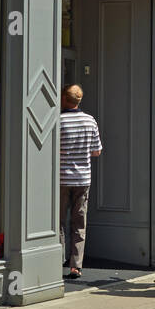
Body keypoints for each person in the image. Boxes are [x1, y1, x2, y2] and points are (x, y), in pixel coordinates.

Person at [59, 85, 102, 280]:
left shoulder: (58, 120)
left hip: (61, 178)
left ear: (64, 99)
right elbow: (96, 151)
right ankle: (76, 266)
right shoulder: (90, 120)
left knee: (58, 221)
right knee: (79, 223)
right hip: (83, 178)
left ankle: (58, 260)